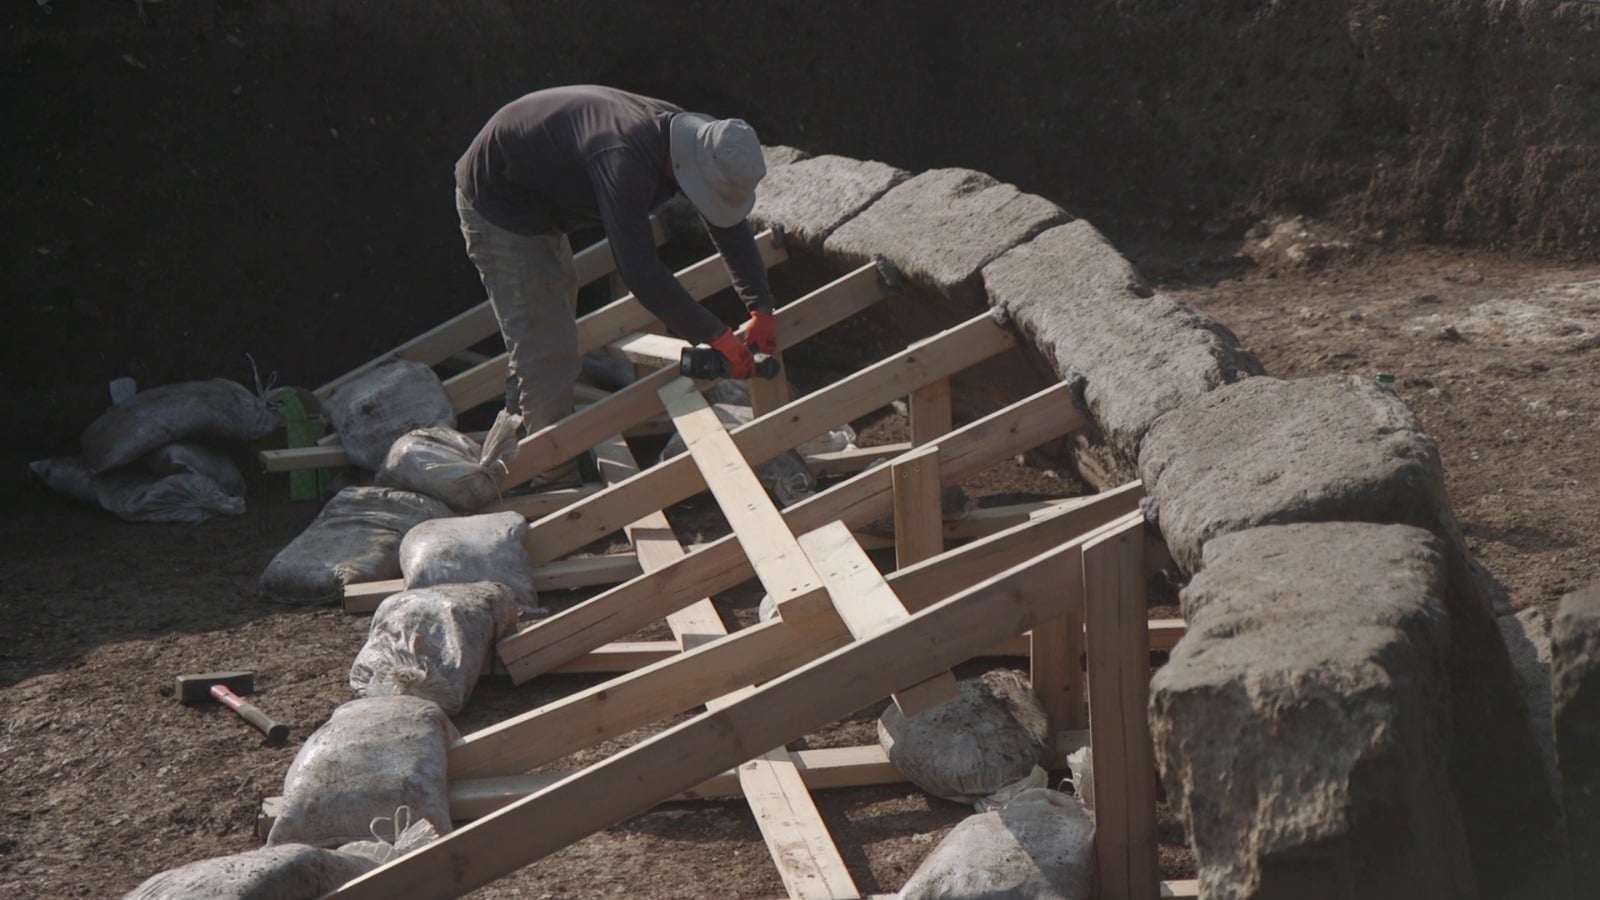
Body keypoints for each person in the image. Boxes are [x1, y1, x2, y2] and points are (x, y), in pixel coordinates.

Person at [454, 84, 778, 485]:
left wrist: (760, 307)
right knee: (547, 346)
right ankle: (553, 476)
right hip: (499, 201)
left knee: (544, 329)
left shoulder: (691, 140)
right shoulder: (624, 156)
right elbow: (640, 272)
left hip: (535, 193)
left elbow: (728, 226)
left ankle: (520, 446)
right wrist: (717, 336)